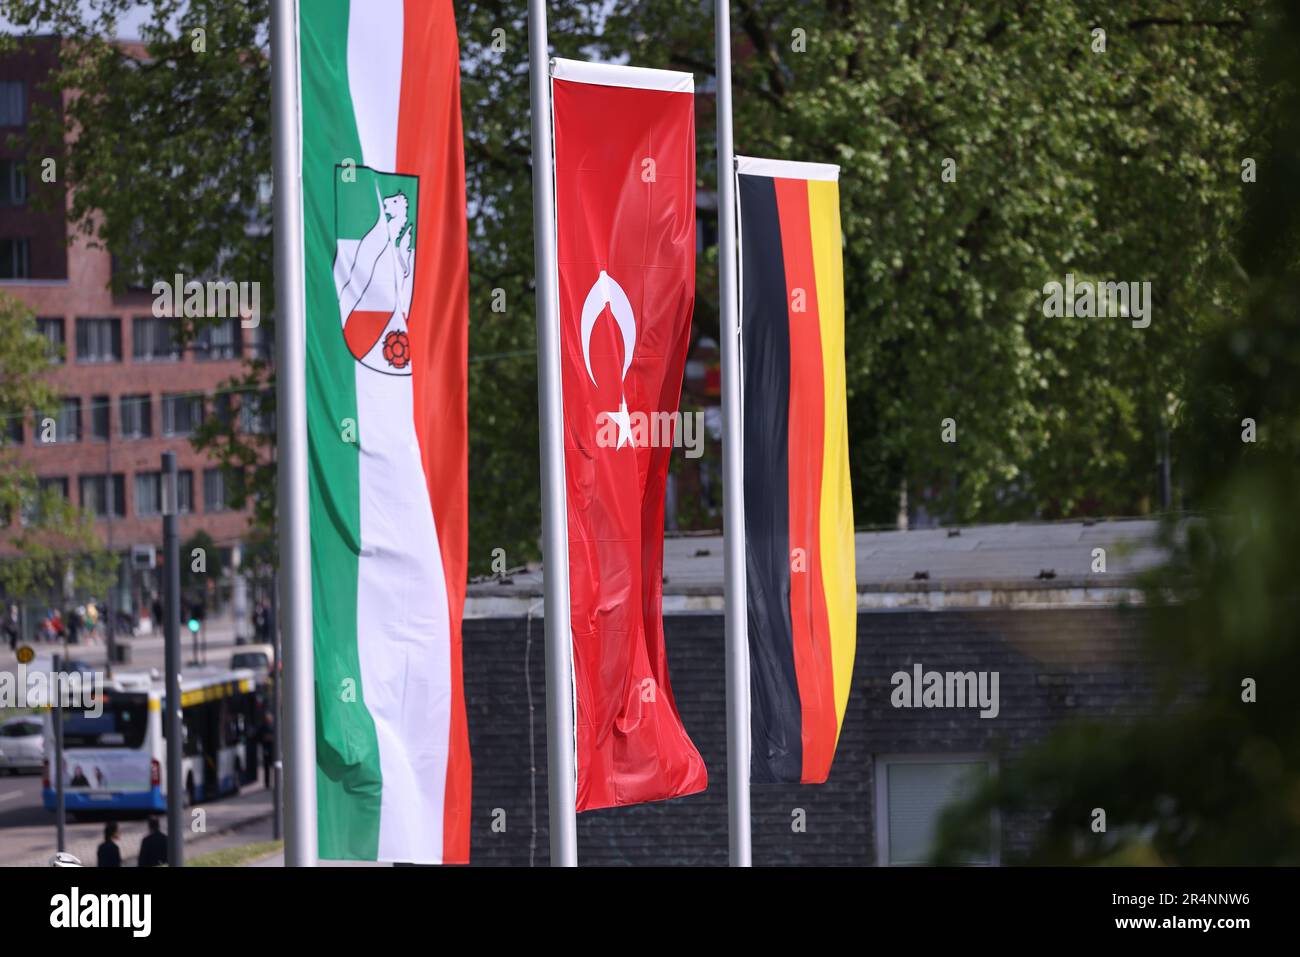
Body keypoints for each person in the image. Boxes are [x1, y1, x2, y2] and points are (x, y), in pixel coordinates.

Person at [259, 714, 275, 789]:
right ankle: (267, 783)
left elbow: (276, 736)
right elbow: (260, 736)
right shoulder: (263, 727)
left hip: (272, 749)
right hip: (266, 748)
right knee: (266, 767)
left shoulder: (273, 726)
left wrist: (271, 738)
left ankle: (273, 782)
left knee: (273, 766)